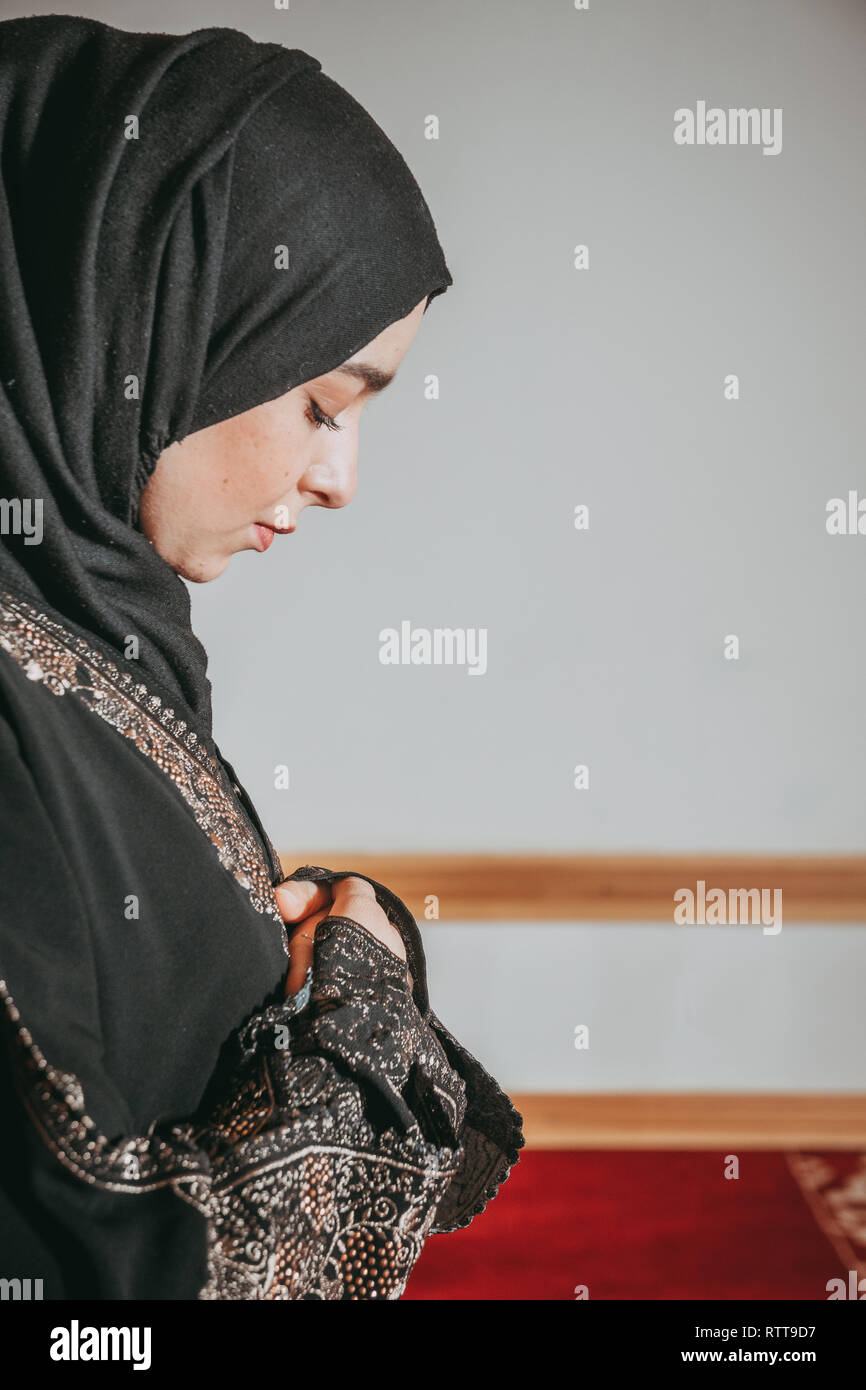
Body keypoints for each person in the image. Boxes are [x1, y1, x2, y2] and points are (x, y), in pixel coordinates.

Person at [0, 15, 523, 1300]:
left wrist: (341, 944)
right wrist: (360, 992)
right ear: (146, 309)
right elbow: (127, 1278)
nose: (337, 478)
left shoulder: (86, 635)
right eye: (322, 402)